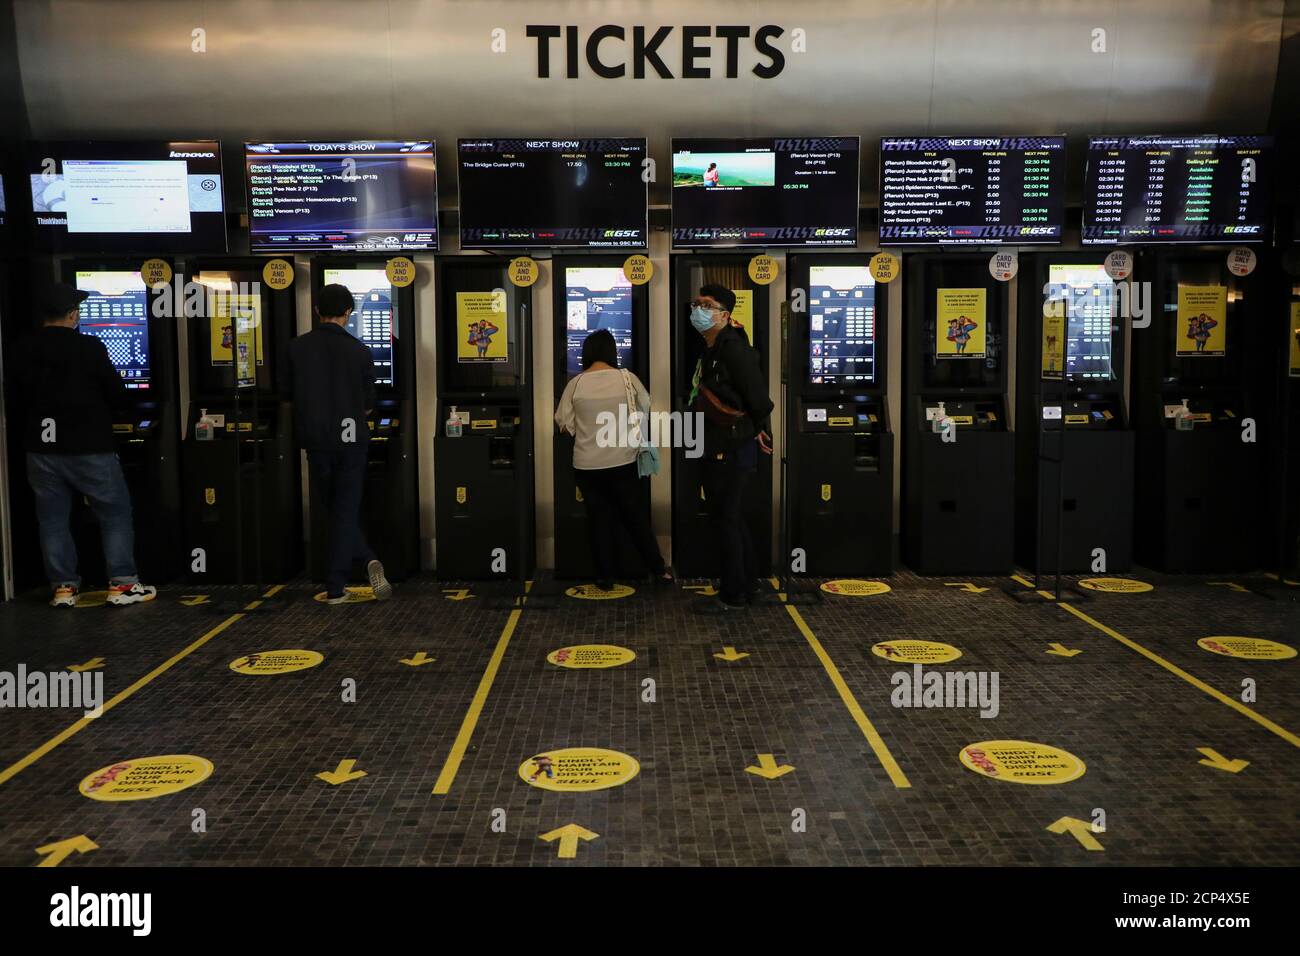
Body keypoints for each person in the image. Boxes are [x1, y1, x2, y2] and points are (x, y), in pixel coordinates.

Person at [11, 283, 157, 607]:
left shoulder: (22, 347)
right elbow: (117, 394)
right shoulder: (88, 347)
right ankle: (122, 584)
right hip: (89, 446)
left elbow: (18, 397)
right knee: (114, 512)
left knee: (52, 519)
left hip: (41, 449)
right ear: (73, 315)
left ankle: (63, 587)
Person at [287, 283, 391, 604]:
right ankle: (345, 577)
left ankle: (349, 573)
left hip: (316, 441)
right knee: (345, 510)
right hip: (351, 442)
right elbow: (369, 403)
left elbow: (287, 395)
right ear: (349, 311)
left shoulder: (296, 348)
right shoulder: (360, 351)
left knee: (334, 509)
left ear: (317, 311)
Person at [554, 329, 671, 591]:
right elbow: (645, 407)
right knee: (636, 518)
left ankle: (605, 577)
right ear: (611, 351)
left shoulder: (576, 383)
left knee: (599, 520)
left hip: (587, 465)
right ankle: (658, 570)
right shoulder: (627, 379)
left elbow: (564, 425)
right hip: (623, 462)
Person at [687, 284, 774, 613]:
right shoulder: (711, 349)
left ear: (724, 315)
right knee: (731, 517)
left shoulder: (733, 348)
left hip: (732, 447)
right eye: (697, 303)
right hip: (720, 444)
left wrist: (760, 430)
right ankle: (747, 583)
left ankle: (733, 594)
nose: (699, 309)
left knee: (726, 518)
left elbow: (758, 397)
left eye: (707, 304)